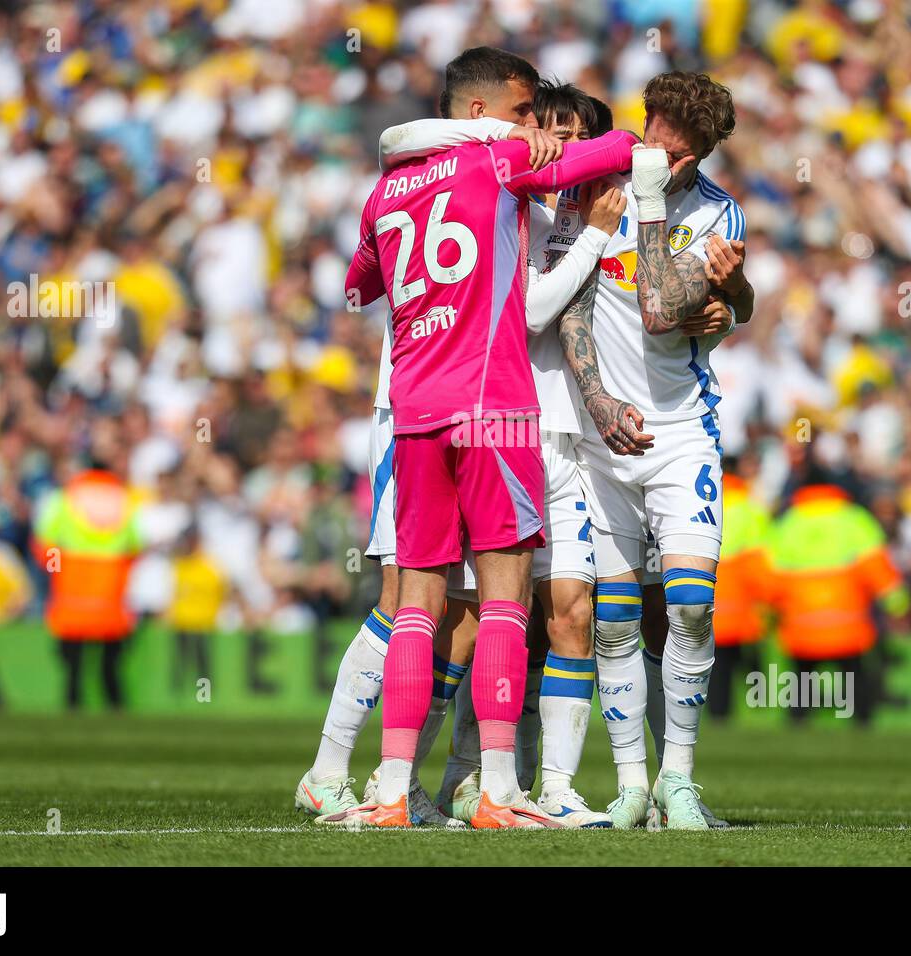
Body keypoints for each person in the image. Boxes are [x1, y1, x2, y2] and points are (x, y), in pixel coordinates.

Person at [334, 47, 638, 829]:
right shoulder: (495, 162)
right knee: (505, 595)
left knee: (418, 604)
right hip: (494, 406)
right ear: (476, 114)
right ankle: (500, 791)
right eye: (521, 112)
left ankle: (392, 787)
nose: (532, 126)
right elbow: (620, 149)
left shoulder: (384, 191)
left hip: (414, 413)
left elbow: (356, 285)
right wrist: (561, 150)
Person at [562, 71, 752, 829]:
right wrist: (599, 402)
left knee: (692, 607)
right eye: (650, 141)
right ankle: (632, 784)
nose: (652, 162)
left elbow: (659, 312)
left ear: (699, 157)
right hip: (600, 434)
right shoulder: (593, 188)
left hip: (680, 433)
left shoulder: (716, 211)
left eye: (672, 157)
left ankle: (679, 778)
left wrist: (731, 298)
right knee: (612, 619)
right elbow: (575, 306)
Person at [764, 479, 910, 725]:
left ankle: (795, 734)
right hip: (848, 626)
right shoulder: (855, 520)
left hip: (802, 628)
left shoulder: (788, 524)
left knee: (801, 689)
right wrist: (898, 605)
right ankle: (863, 731)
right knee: (856, 684)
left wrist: (768, 616)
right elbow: (879, 572)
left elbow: (769, 581)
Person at [34, 463, 143, 710]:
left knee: (73, 666)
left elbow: (45, 545)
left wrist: (58, 572)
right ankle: (116, 709)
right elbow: (136, 547)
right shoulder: (124, 501)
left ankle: (73, 707)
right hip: (109, 599)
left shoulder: (66, 499)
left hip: (72, 597)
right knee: (111, 664)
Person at [707, 471, 772, 719]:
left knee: (715, 664)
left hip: (704, 599)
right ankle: (759, 708)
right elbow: (762, 563)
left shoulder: (695, 498)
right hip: (742, 606)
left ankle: (717, 714)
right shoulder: (751, 510)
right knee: (740, 660)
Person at [167, 524, 224, 696]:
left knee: (202, 664)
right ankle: (178, 696)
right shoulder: (179, 564)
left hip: (202, 622)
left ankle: (203, 697)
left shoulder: (209, 566)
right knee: (180, 663)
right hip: (182, 622)